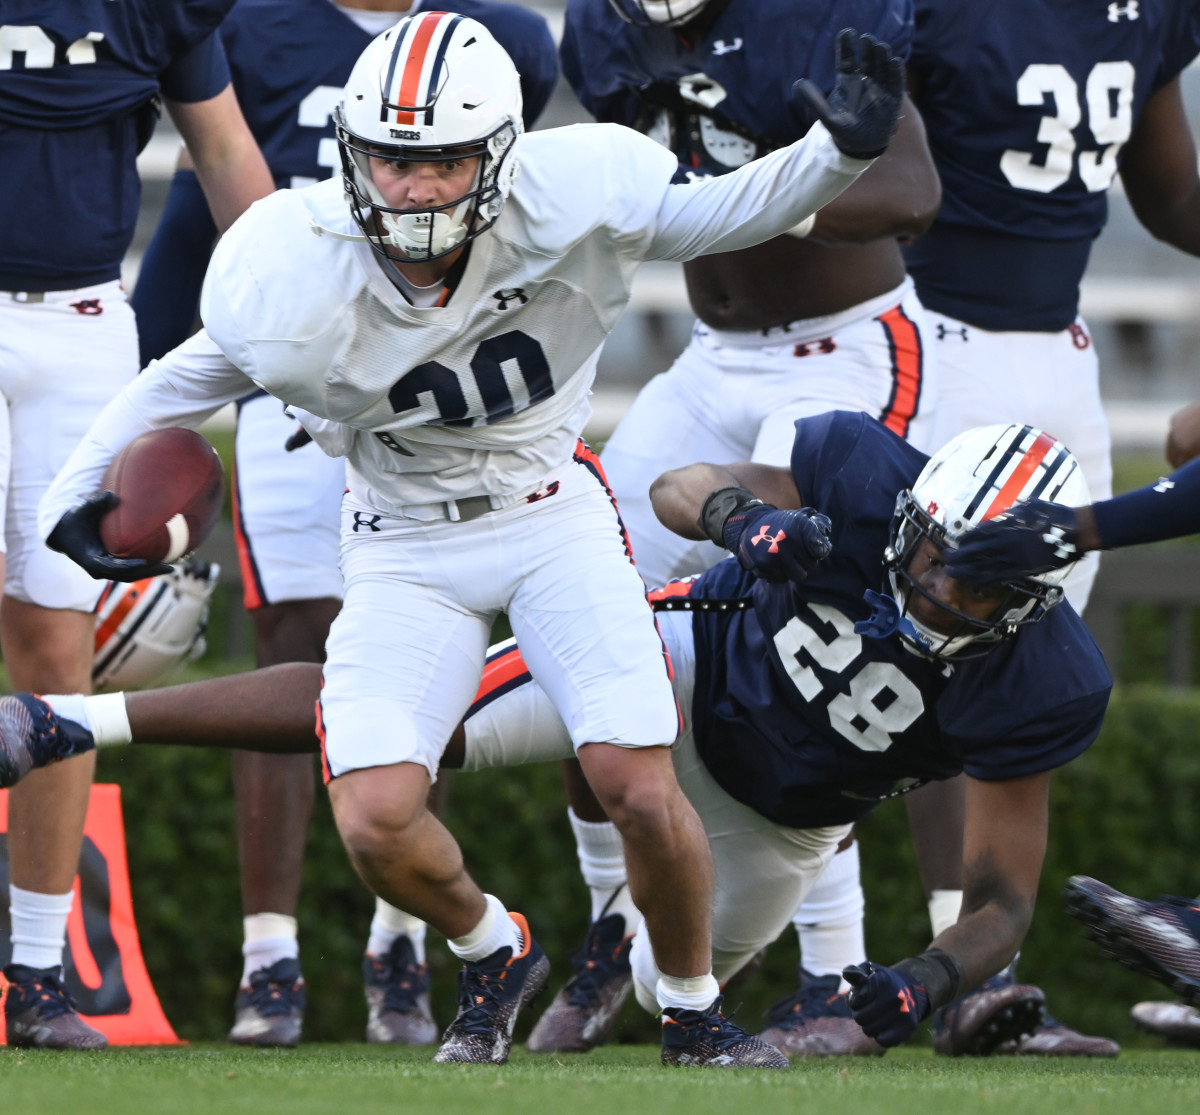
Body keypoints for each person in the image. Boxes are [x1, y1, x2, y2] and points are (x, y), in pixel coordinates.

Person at [32, 15, 906, 1068]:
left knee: (635, 776)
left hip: (549, 515)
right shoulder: (292, 261)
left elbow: (729, 207)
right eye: (391, 160)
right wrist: (76, 495)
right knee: (375, 819)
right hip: (400, 539)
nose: (409, 187)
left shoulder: (576, 192)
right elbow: (184, 377)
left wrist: (839, 152)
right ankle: (494, 944)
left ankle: (690, 1005)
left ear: (499, 154)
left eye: (441, 160)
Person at [0, 410, 1114, 1054]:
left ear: (1031, 599)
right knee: (399, 719)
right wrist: (745, 519)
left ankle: (609, 945)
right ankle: (65, 720)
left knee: (656, 988)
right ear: (914, 513)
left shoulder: (1045, 680)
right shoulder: (867, 481)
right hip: (681, 665)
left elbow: (1004, 898)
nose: (932, 593)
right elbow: (684, 484)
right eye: (929, 557)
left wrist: (918, 980)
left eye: (973, 590)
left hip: (787, 823)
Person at [128, 0, 558, 1050]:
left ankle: (401, 935)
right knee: (293, 643)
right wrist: (149, 403)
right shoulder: (258, 27)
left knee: (431, 649)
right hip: (298, 385)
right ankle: (268, 954)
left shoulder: (493, 34)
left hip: (435, 385)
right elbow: (200, 210)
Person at [535, 0, 942, 1056]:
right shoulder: (605, 28)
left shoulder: (808, 15)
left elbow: (910, 193)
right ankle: (606, 919)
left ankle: (829, 965)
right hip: (713, 358)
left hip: (845, 348)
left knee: (815, 623)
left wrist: (763, 196)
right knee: (586, 596)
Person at [879, 0, 1200, 1058]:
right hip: (928, 337)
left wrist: (1081, 525)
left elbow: (1174, 197)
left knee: (1020, 689)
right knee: (921, 658)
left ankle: (985, 978)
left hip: (1058, 360)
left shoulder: (1143, 17)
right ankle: (928, 963)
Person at [0, 1, 274, 1050]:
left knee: (59, 646)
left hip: (82, 324)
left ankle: (35, 970)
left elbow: (224, 148)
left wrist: (294, 314)